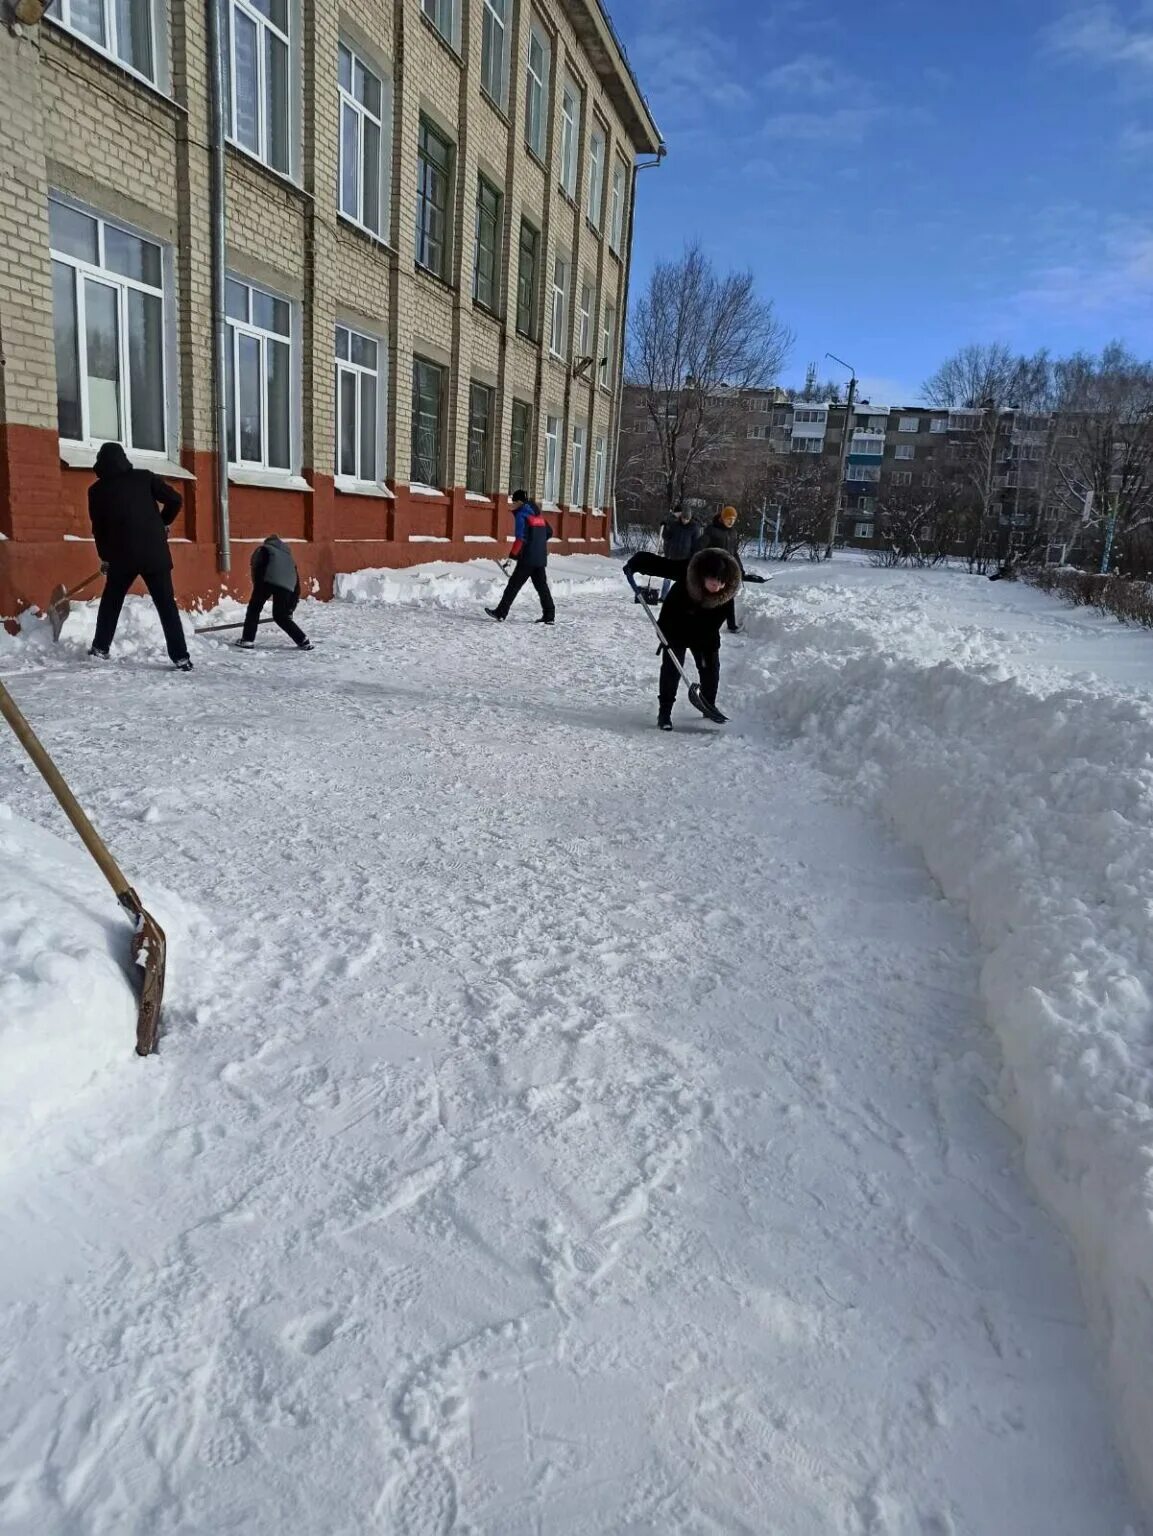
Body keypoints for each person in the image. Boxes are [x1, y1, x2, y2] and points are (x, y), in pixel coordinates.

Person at [87, 442, 192, 670]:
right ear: (123, 458)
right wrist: (162, 522)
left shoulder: (96, 491)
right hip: (154, 553)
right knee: (166, 605)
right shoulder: (144, 478)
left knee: (111, 603)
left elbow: (99, 529)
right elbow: (175, 499)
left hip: (120, 557)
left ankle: (100, 647)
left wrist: (104, 556)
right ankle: (181, 657)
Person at [623, 545, 742, 730]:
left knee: (711, 669)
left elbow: (729, 612)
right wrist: (635, 563)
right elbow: (662, 565)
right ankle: (665, 713)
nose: (716, 586)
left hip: (705, 634)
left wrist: (732, 624)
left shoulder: (726, 592)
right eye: (713, 580)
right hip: (675, 627)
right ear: (704, 576)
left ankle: (708, 706)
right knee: (671, 670)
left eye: (721, 582)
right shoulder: (690, 571)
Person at [485, 490, 555, 624]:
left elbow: (520, 539)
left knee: (513, 585)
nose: (512, 505)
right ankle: (549, 615)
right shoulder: (538, 515)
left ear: (519, 502)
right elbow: (549, 532)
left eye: (514, 502)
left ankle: (500, 612)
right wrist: (538, 543)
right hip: (540, 558)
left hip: (527, 558)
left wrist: (512, 557)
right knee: (542, 587)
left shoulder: (522, 515)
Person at [235, 535, 312, 650]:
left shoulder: (265, 549)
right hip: (287, 587)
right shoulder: (289, 558)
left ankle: (247, 640)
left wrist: (258, 588)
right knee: (281, 616)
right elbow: (296, 584)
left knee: (254, 609)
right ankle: (303, 640)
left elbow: (257, 568)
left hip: (267, 582)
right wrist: (290, 608)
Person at [698, 505, 745, 632]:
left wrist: (740, 568)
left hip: (727, 570)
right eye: (728, 518)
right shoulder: (712, 530)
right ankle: (703, 622)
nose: (731, 521)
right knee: (711, 597)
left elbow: (734, 552)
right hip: (713, 570)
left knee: (729, 598)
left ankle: (731, 625)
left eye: (733, 519)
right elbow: (700, 546)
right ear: (722, 518)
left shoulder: (733, 533)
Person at [659, 507, 699, 599]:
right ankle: (663, 596)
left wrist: (693, 557)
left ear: (690, 518)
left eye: (687, 519)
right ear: (681, 517)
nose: (685, 521)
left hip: (685, 557)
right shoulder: (674, 525)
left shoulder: (694, 528)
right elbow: (667, 537)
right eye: (684, 518)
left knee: (684, 580)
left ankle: (683, 599)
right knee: (667, 577)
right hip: (673, 555)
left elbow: (695, 544)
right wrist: (664, 527)